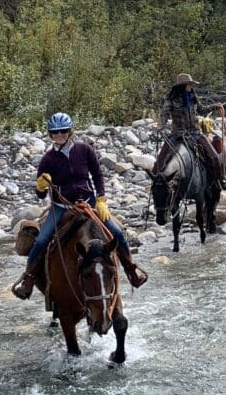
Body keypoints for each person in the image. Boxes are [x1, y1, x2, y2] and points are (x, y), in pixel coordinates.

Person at [14, 112, 147, 299]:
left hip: (89, 203)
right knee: (42, 241)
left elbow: (97, 175)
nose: (59, 135)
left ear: (70, 131)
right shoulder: (48, 159)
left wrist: (101, 199)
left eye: (63, 131)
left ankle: (131, 271)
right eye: (55, 132)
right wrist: (41, 185)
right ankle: (28, 281)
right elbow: (40, 193)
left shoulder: (85, 150)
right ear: (50, 134)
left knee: (116, 232)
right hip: (62, 207)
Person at [162, 74, 225, 185]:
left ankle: (219, 182)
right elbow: (164, 114)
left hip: (195, 133)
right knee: (161, 159)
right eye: (190, 84)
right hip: (178, 134)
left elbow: (202, 110)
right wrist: (160, 124)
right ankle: (157, 183)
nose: (192, 86)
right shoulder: (171, 100)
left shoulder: (193, 97)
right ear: (184, 85)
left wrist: (216, 106)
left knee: (214, 156)